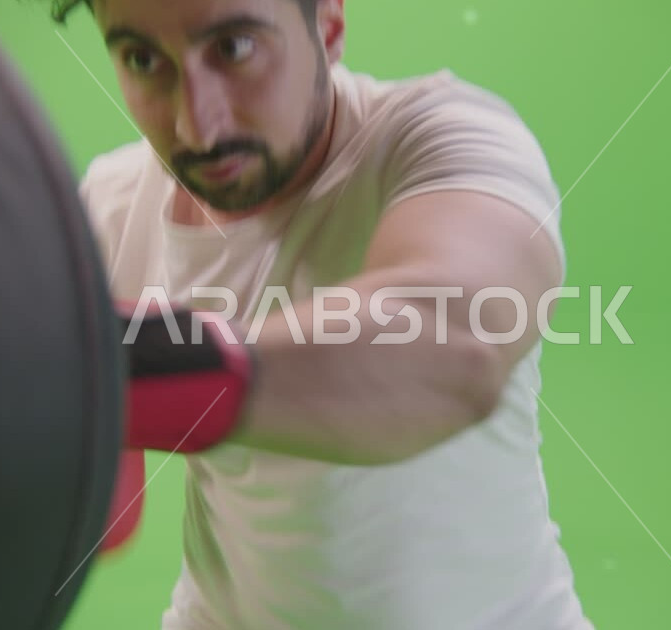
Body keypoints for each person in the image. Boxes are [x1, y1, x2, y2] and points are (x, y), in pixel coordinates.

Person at [52, 0, 595, 628]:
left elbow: (453, 341)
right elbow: (99, 514)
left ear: (328, 24)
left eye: (234, 49)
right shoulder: (111, 207)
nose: (198, 123)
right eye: (144, 60)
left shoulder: (447, 140)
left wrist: (114, 372)